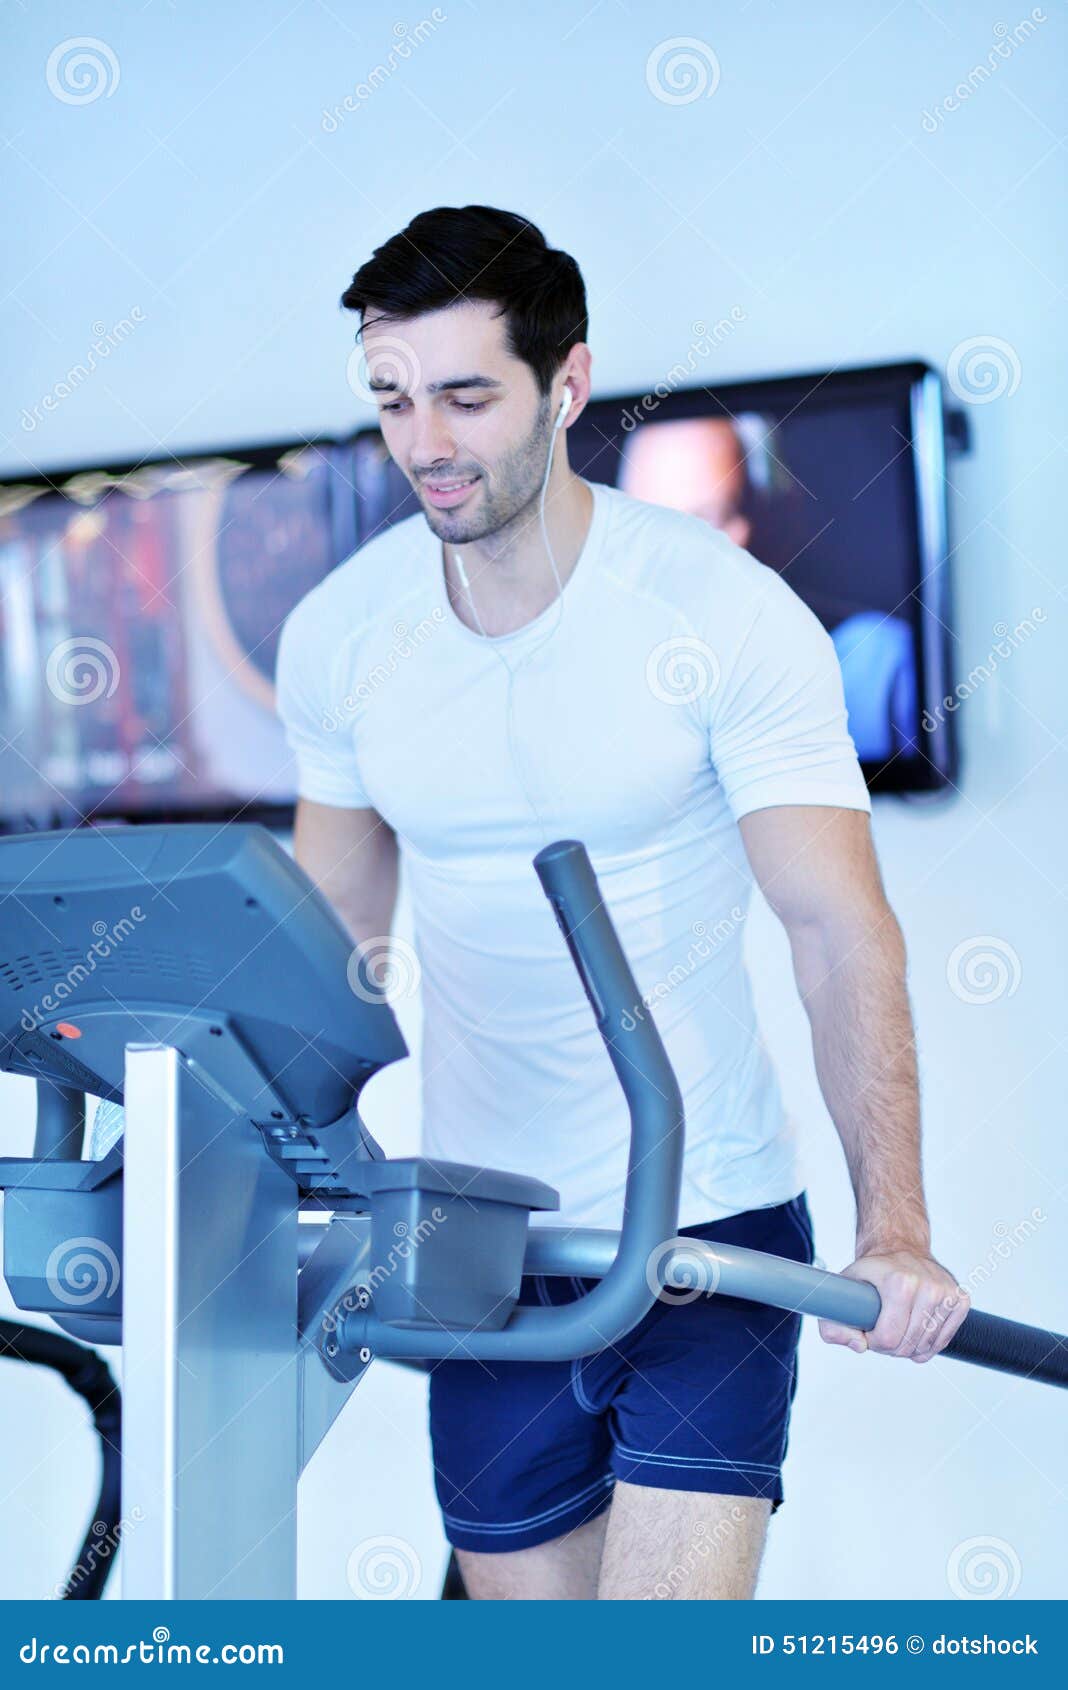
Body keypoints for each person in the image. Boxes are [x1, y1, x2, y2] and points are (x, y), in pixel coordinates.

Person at [275, 205, 969, 1601]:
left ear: (568, 385)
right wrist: (291, 1179)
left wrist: (893, 1222)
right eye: (395, 397)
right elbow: (323, 951)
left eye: (468, 395)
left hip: (708, 1226)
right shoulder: (343, 635)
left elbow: (837, 932)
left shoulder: (716, 613)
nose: (426, 442)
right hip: (483, 1241)